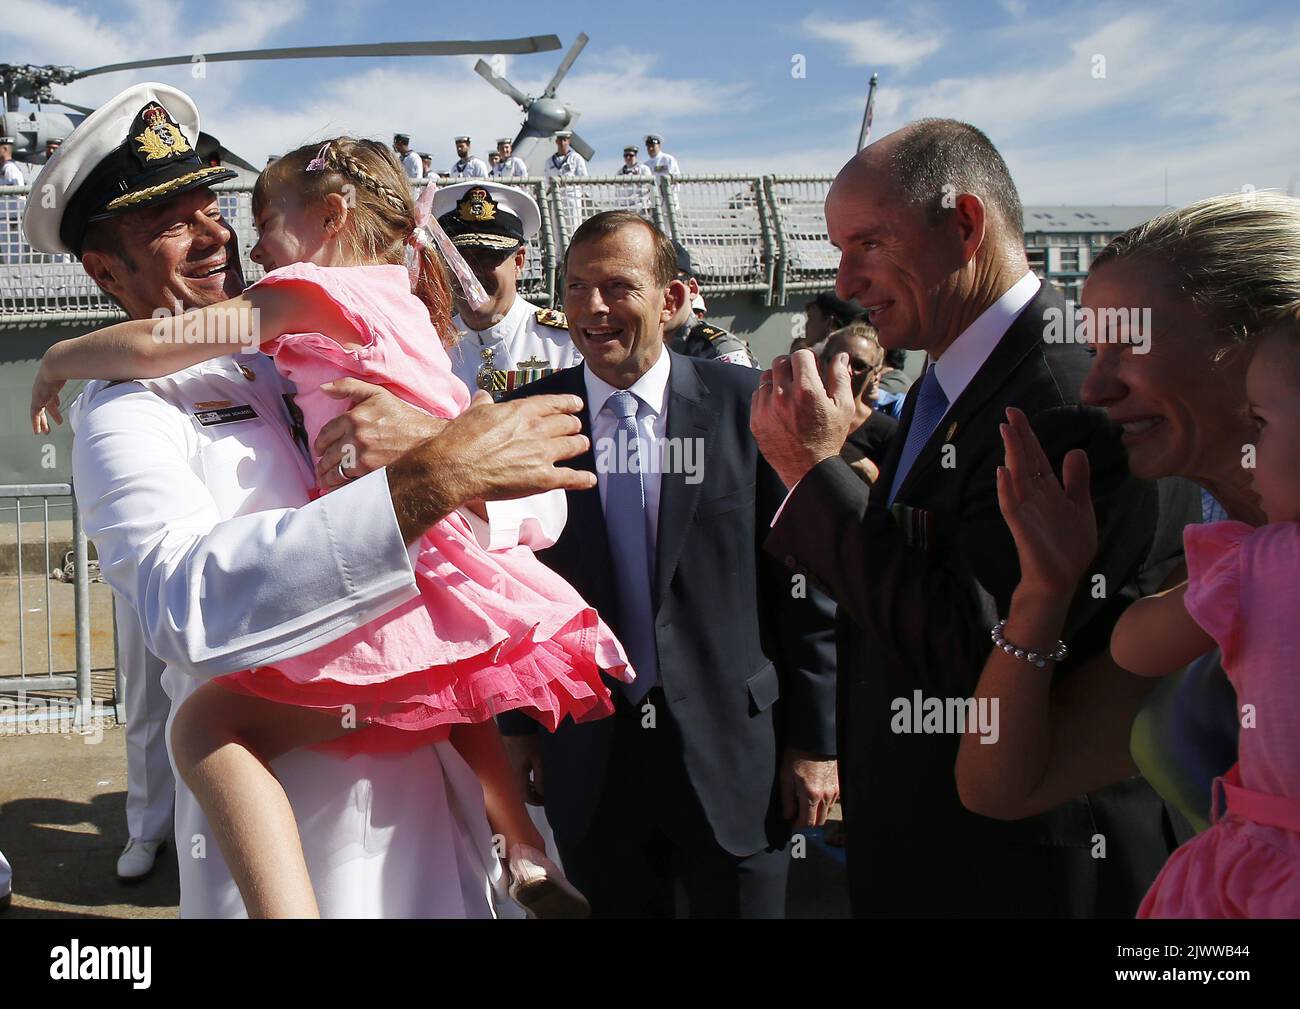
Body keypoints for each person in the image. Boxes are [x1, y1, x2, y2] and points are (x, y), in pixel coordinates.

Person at [25, 83, 594, 919]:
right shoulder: (127, 411)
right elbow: (185, 604)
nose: (218, 234)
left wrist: (442, 460)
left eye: (210, 206)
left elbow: (537, 505)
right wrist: (422, 484)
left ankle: (525, 849)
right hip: (318, 841)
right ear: (105, 268)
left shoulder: (301, 341)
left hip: (442, 821)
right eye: (172, 223)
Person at [749, 118, 1196, 917]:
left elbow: (972, 652)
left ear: (963, 226)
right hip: (936, 841)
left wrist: (808, 472)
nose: (846, 281)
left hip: (1025, 869)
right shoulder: (957, 375)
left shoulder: (1063, 402)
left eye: (868, 245)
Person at [500, 212, 839, 918]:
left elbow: (805, 591)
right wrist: (520, 729)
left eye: (617, 286)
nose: (592, 308)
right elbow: (505, 590)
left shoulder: (749, 408)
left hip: (735, 754)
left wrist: (816, 742)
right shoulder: (523, 419)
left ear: (674, 298)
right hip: (589, 757)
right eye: (575, 288)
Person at [956, 191, 1300, 842]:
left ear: (1275, 338)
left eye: (1130, 344)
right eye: (1095, 350)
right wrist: (1043, 593)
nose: (1095, 386)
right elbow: (1001, 785)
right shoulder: (1222, 571)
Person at [981, 308, 1300, 918]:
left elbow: (1134, 647)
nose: (1094, 387)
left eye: (1259, 420)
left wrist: (1047, 587)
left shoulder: (1256, 564)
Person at [435, 181, 582, 398]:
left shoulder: (565, 342)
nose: (471, 273)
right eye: (460, 259)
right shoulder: (433, 346)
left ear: (519, 262)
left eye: (488, 256)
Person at [114, 608, 176, 882]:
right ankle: (146, 831)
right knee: (146, 700)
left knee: (219, 698)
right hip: (141, 573)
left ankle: (216, 832)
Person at [822, 321, 897, 486]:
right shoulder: (798, 416)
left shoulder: (889, 433)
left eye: (859, 365)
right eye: (840, 360)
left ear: (874, 374)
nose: (846, 370)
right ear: (822, 363)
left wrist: (868, 470)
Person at [665, 241, 757, 367]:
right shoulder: (637, 352)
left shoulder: (719, 351)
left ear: (692, 289)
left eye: (669, 284)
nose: (661, 296)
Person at [544, 131, 588, 235]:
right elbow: (546, 181)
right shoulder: (549, 161)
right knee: (558, 228)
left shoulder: (575, 158)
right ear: (556, 142)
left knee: (573, 226)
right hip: (557, 195)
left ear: (568, 141)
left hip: (572, 195)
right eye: (560, 140)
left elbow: (584, 178)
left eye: (565, 140)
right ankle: (560, 251)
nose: (562, 143)